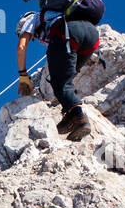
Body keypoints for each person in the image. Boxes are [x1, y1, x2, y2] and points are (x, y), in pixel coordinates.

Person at [15, 8, 101, 142]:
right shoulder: (57, 15)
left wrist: (23, 75)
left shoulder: (31, 19)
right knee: (65, 75)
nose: (34, 39)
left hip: (69, 33)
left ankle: (79, 118)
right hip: (92, 37)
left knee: (59, 80)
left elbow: (21, 47)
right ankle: (69, 113)